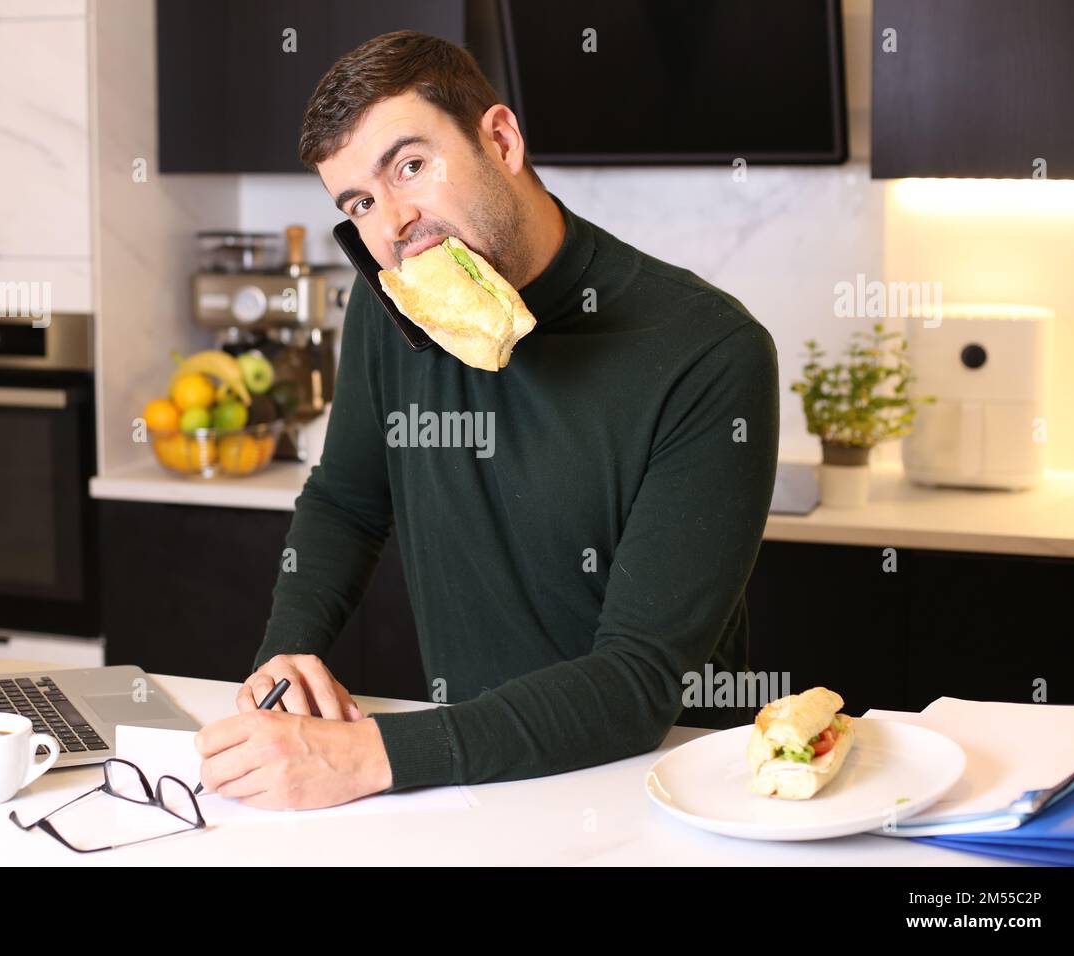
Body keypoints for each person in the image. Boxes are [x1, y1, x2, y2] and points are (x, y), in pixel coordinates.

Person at [195, 31, 779, 810]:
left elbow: (639, 682)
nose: (395, 221)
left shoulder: (707, 349)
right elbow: (346, 501)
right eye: (361, 203)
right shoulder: (392, 306)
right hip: (471, 776)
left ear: (500, 140)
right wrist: (286, 653)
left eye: (411, 166)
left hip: (666, 792)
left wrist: (367, 756)